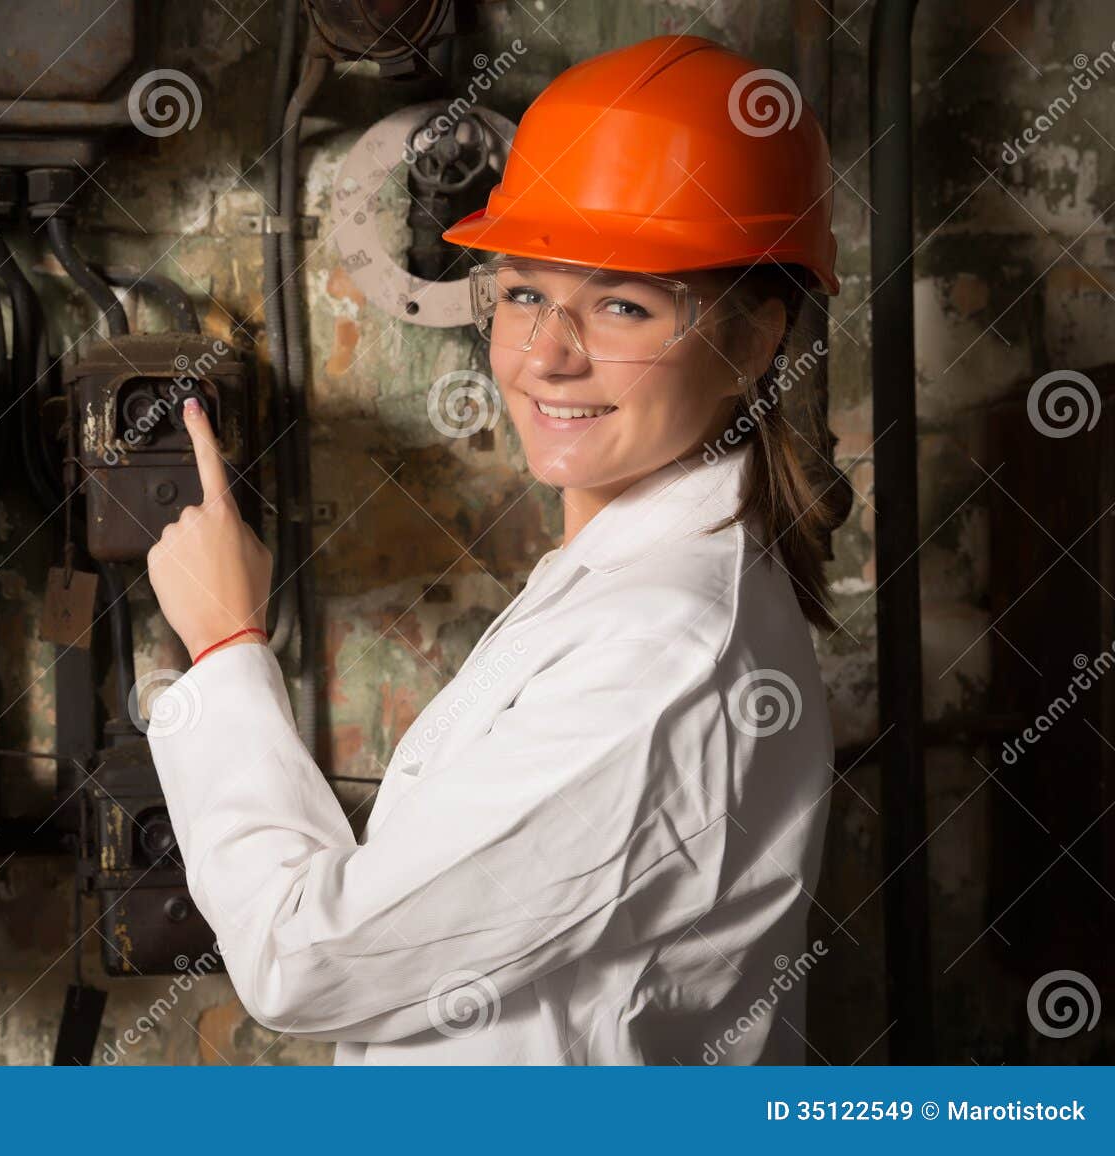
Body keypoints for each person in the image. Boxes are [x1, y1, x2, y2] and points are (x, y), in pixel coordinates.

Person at [142, 33, 840, 1064]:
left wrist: (226, 645)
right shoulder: (625, 585)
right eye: (522, 293)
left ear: (749, 341)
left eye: (620, 304)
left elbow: (305, 957)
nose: (548, 354)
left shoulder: (661, 660)